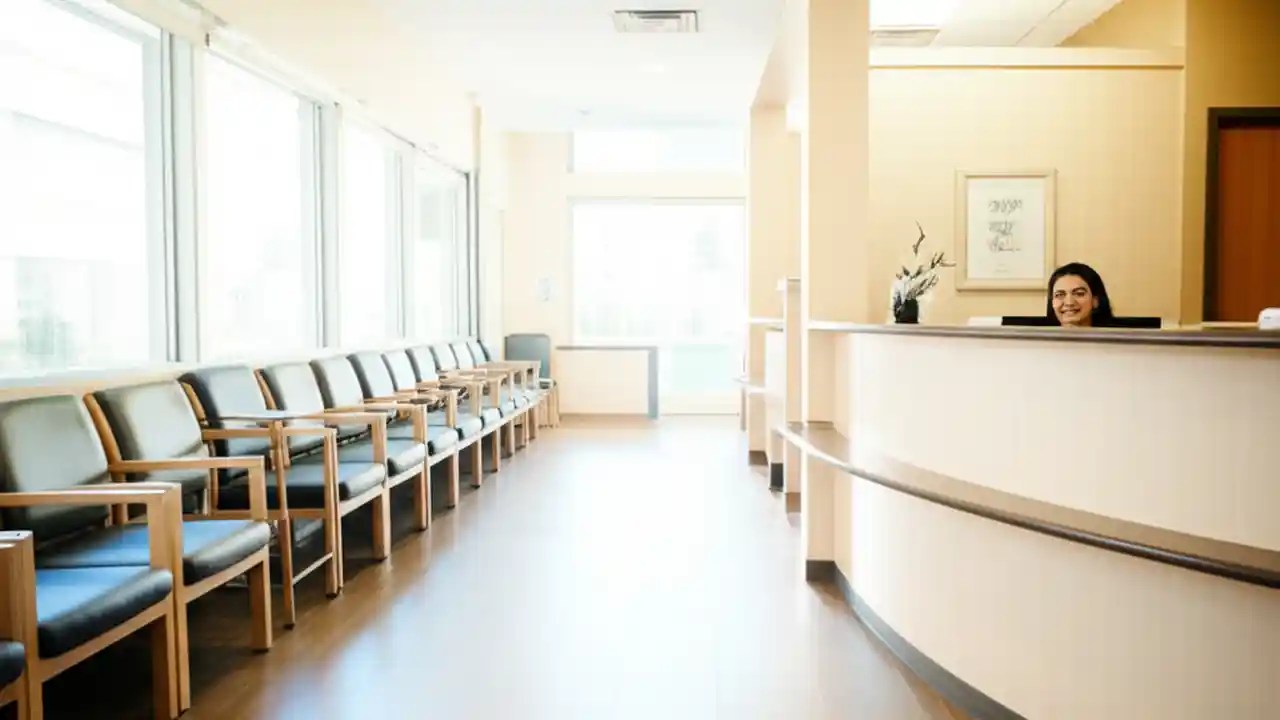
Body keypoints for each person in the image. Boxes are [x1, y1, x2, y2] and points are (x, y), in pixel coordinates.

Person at [1045, 262, 1115, 327]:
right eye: (1060, 295)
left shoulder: (1117, 338)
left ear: (1095, 301)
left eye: (1079, 294)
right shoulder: (1038, 339)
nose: (1069, 303)